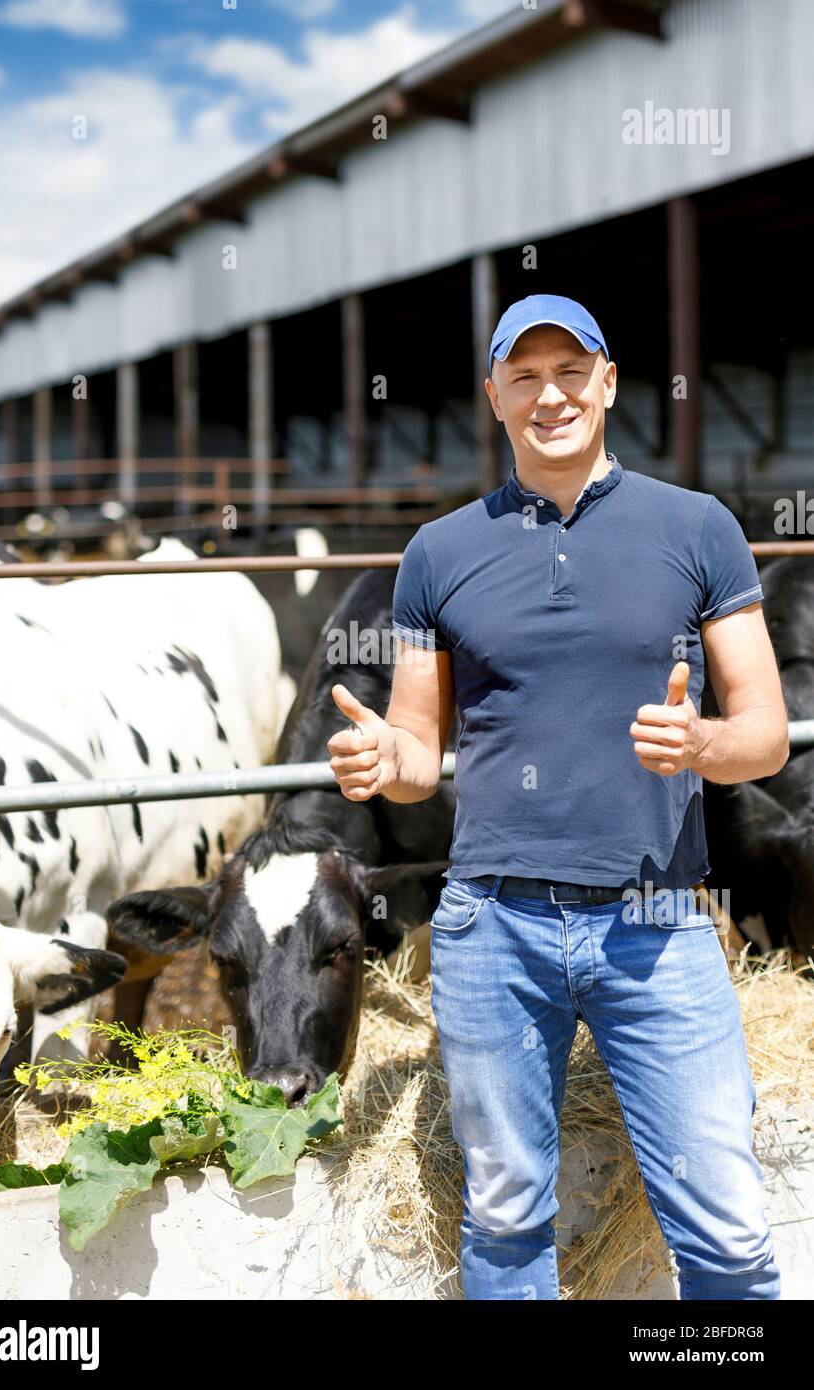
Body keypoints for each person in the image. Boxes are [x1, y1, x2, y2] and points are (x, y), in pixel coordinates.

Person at [326, 293, 787, 1300]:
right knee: (502, 1217)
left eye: (569, 370)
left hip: (657, 921)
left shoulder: (697, 529)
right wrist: (380, 762)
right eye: (523, 376)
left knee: (727, 1224)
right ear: (493, 397)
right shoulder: (437, 554)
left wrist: (699, 740)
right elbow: (416, 749)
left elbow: (761, 735)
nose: (550, 395)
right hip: (492, 927)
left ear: (608, 382)